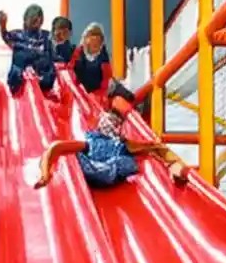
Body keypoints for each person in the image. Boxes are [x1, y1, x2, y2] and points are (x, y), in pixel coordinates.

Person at [35, 81, 188, 189]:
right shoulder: (93, 142)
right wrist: (44, 174)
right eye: (108, 125)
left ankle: (103, 170)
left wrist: (177, 171)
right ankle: (100, 169)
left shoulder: (125, 146)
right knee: (111, 165)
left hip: (113, 164)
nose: (111, 128)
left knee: (122, 163)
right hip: (101, 165)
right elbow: (56, 148)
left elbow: (162, 152)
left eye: (115, 125)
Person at [0, 4, 55, 96]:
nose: (35, 21)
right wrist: (2, 24)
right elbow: (6, 36)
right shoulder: (17, 34)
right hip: (20, 79)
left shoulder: (46, 36)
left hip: (41, 79)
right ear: (25, 19)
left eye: (38, 18)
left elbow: (51, 57)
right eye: (32, 18)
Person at [69, 22, 113, 96]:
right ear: (85, 39)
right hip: (79, 94)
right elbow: (70, 74)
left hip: (97, 95)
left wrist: (99, 95)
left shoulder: (103, 56)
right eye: (92, 35)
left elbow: (106, 79)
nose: (95, 39)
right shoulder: (78, 52)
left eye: (98, 37)